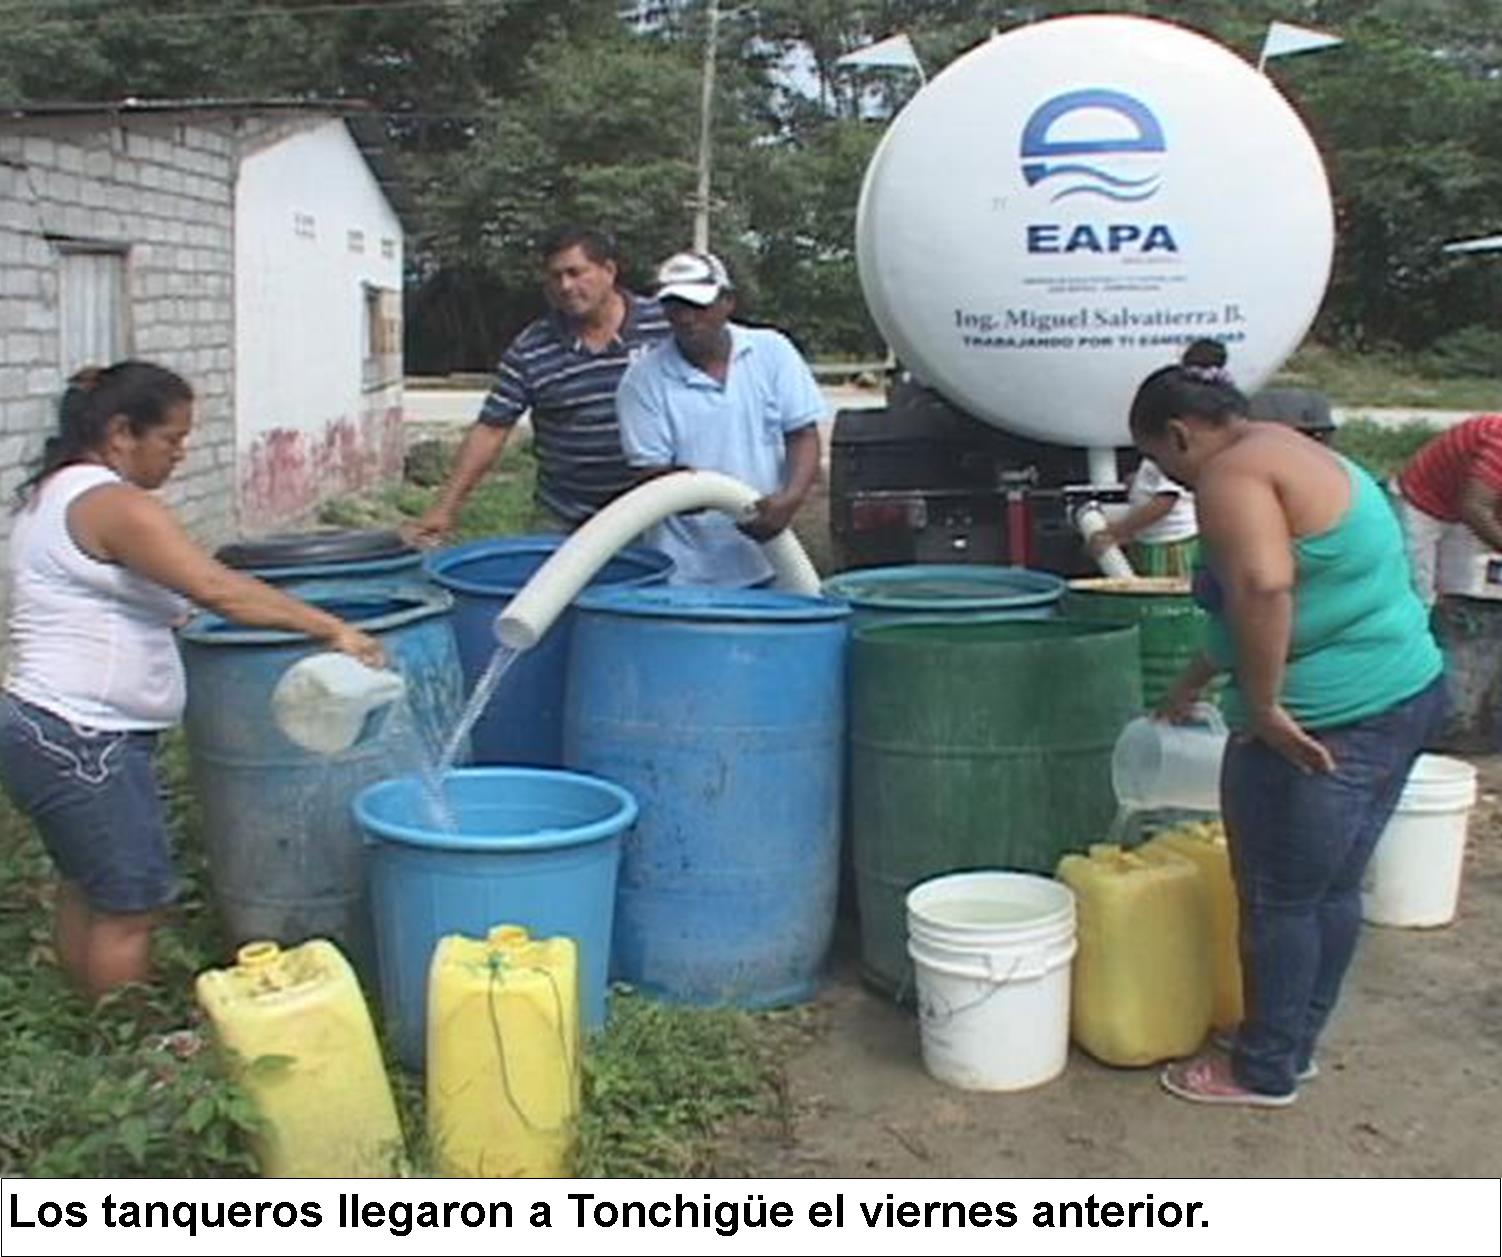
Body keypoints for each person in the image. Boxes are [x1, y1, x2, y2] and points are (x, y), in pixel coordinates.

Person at [0, 362, 385, 1001]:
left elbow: (169, 596)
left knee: (89, 886)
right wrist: (331, 629)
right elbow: (213, 588)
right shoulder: (113, 505)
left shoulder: (58, 494)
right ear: (121, 432)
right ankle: (125, 1040)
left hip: (52, 728)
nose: (180, 453)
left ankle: (90, 1022)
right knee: (131, 905)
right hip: (82, 735)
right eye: (171, 438)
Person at [1131, 361, 1445, 1108]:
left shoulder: (1228, 478)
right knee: (1328, 888)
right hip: (1403, 691)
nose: (1169, 476)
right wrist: (1194, 680)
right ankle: (1291, 1040)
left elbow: (1263, 588)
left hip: (1325, 718)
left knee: (1279, 901)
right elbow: (1261, 603)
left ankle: (1264, 1070)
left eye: (1159, 458)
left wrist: (1266, 708)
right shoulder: (1289, 447)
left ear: (1180, 434)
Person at [410, 227, 671, 543]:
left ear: (609, 271)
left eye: (575, 273)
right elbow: (491, 429)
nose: (565, 286)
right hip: (565, 518)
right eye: (555, 277)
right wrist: (444, 509)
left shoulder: (665, 325)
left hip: (652, 512)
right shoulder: (532, 349)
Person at [615, 250, 823, 587]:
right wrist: (691, 490)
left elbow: (803, 433)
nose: (686, 317)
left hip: (769, 560)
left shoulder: (772, 352)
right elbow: (649, 473)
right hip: (685, 572)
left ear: (727, 302)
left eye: (698, 305)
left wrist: (791, 498)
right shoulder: (643, 381)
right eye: (675, 306)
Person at [1089, 340, 1220, 578]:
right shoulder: (1166, 450)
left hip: (1170, 542)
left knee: (1164, 594)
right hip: (1153, 539)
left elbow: (1164, 502)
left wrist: (1118, 531)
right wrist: (1137, 483)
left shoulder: (1171, 452)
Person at [1391, 414, 1502, 606]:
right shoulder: (1498, 445)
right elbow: (1474, 507)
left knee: (1459, 590)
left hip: (1459, 506)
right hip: (1420, 502)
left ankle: (1448, 622)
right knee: (1418, 592)